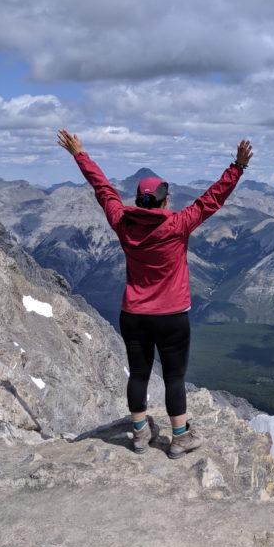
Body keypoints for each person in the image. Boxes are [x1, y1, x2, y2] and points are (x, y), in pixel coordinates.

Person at [57, 129, 253, 458]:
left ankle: (138, 434)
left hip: (133, 314)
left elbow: (102, 188)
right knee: (174, 376)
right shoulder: (177, 224)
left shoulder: (122, 221)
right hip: (172, 316)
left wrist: (79, 153)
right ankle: (179, 437)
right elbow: (212, 199)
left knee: (138, 373)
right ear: (164, 201)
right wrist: (238, 166)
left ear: (138, 201)